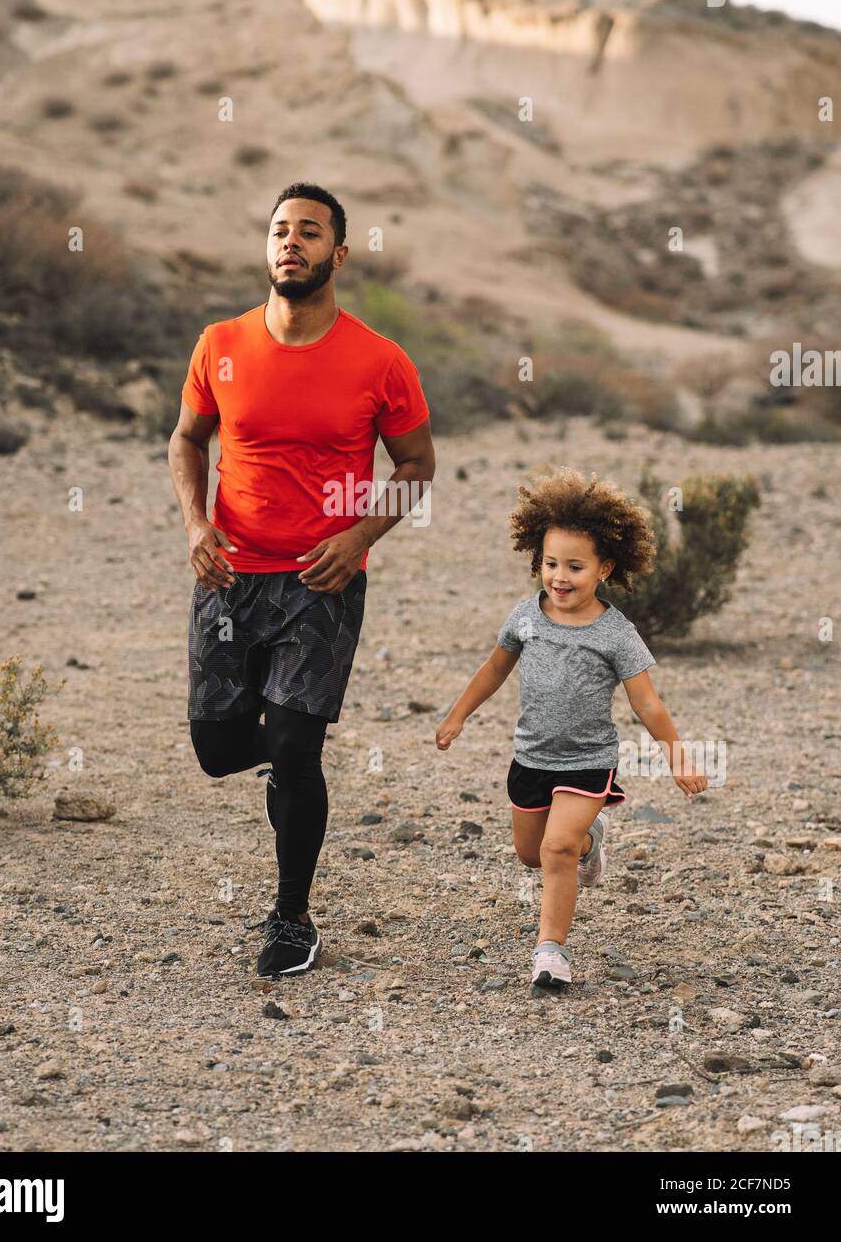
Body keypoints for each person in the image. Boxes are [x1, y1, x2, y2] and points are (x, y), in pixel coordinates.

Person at [168, 181, 435, 978]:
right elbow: (187, 441)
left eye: (310, 232)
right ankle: (287, 753)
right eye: (281, 230)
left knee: (293, 746)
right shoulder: (220, 343)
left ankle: (291, 918)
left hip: (322, 581)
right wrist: (194, 524)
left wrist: (359, 538)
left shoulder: (379, 360)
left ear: (338, 255)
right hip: (228, 576)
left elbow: (417, 464)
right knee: (218, 750)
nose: (292, 242)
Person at [435, 467, 706, 989]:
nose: (560, 577)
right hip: (531, 757)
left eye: (575, 567)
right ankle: (590, 842)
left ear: (604, 568)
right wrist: (458, 714)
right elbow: (495, 668)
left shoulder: (616, 632)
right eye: (551, 563)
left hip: (587, 761)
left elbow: (646, 703)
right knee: (531, 853)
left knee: (556, 849)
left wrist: (676, 755)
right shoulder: (526, 615)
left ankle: (550, 952)